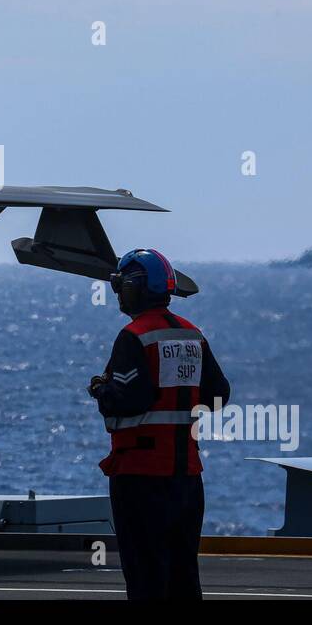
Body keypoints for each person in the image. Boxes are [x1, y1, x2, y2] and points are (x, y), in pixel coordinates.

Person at [88, 249, 230, 600]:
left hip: (141, 477)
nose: (118, 293)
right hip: (187, 477)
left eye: (121, 285)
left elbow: (128, 399)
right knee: (183, 577)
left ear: (136, 287)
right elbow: (219, 394)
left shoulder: (134, 336)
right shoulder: (192, 334)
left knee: (145, 576)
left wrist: (101, 390)